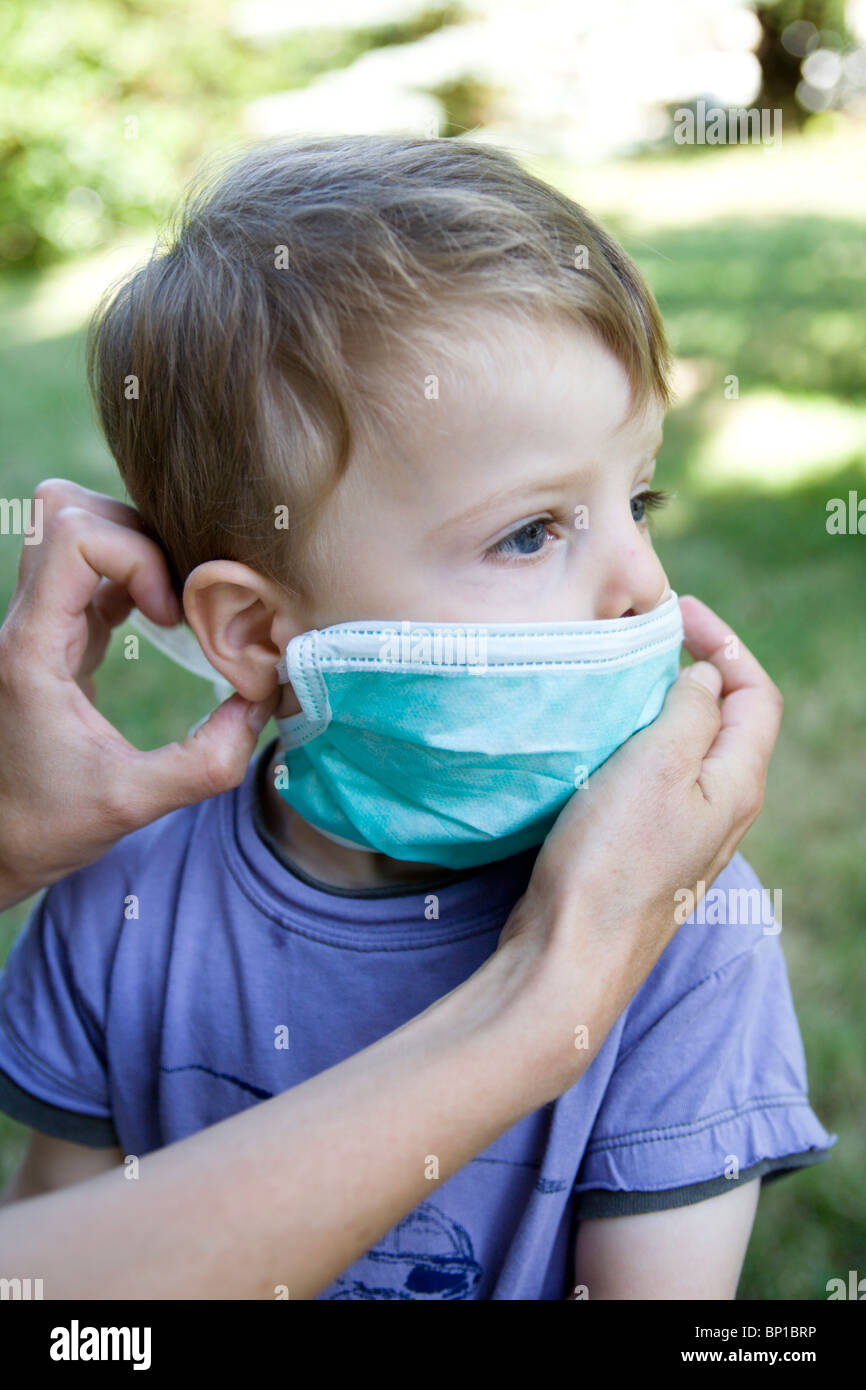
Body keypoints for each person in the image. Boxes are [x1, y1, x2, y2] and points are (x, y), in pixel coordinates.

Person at [0, 135, 833, 1300]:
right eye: (531, 530)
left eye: (634, 497)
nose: (642, 583)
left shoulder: (675, 929)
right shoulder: (119, 901)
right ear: (251, 632)